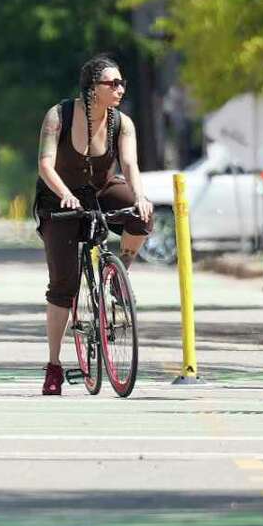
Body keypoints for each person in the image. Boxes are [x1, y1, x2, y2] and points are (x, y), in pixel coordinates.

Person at [33, 55, 153, 395]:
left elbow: (129, 163)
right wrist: (65, 195)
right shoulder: (59, 116)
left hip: (100, 188)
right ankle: (54, 365)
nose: (119, 89)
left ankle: (119, 275)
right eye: (112, 84)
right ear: (91, 89)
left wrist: (140, 197)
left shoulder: (122, 122)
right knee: (63, 286)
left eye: (121, 83)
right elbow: (45, 164)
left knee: (142, 217)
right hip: (58, 197)